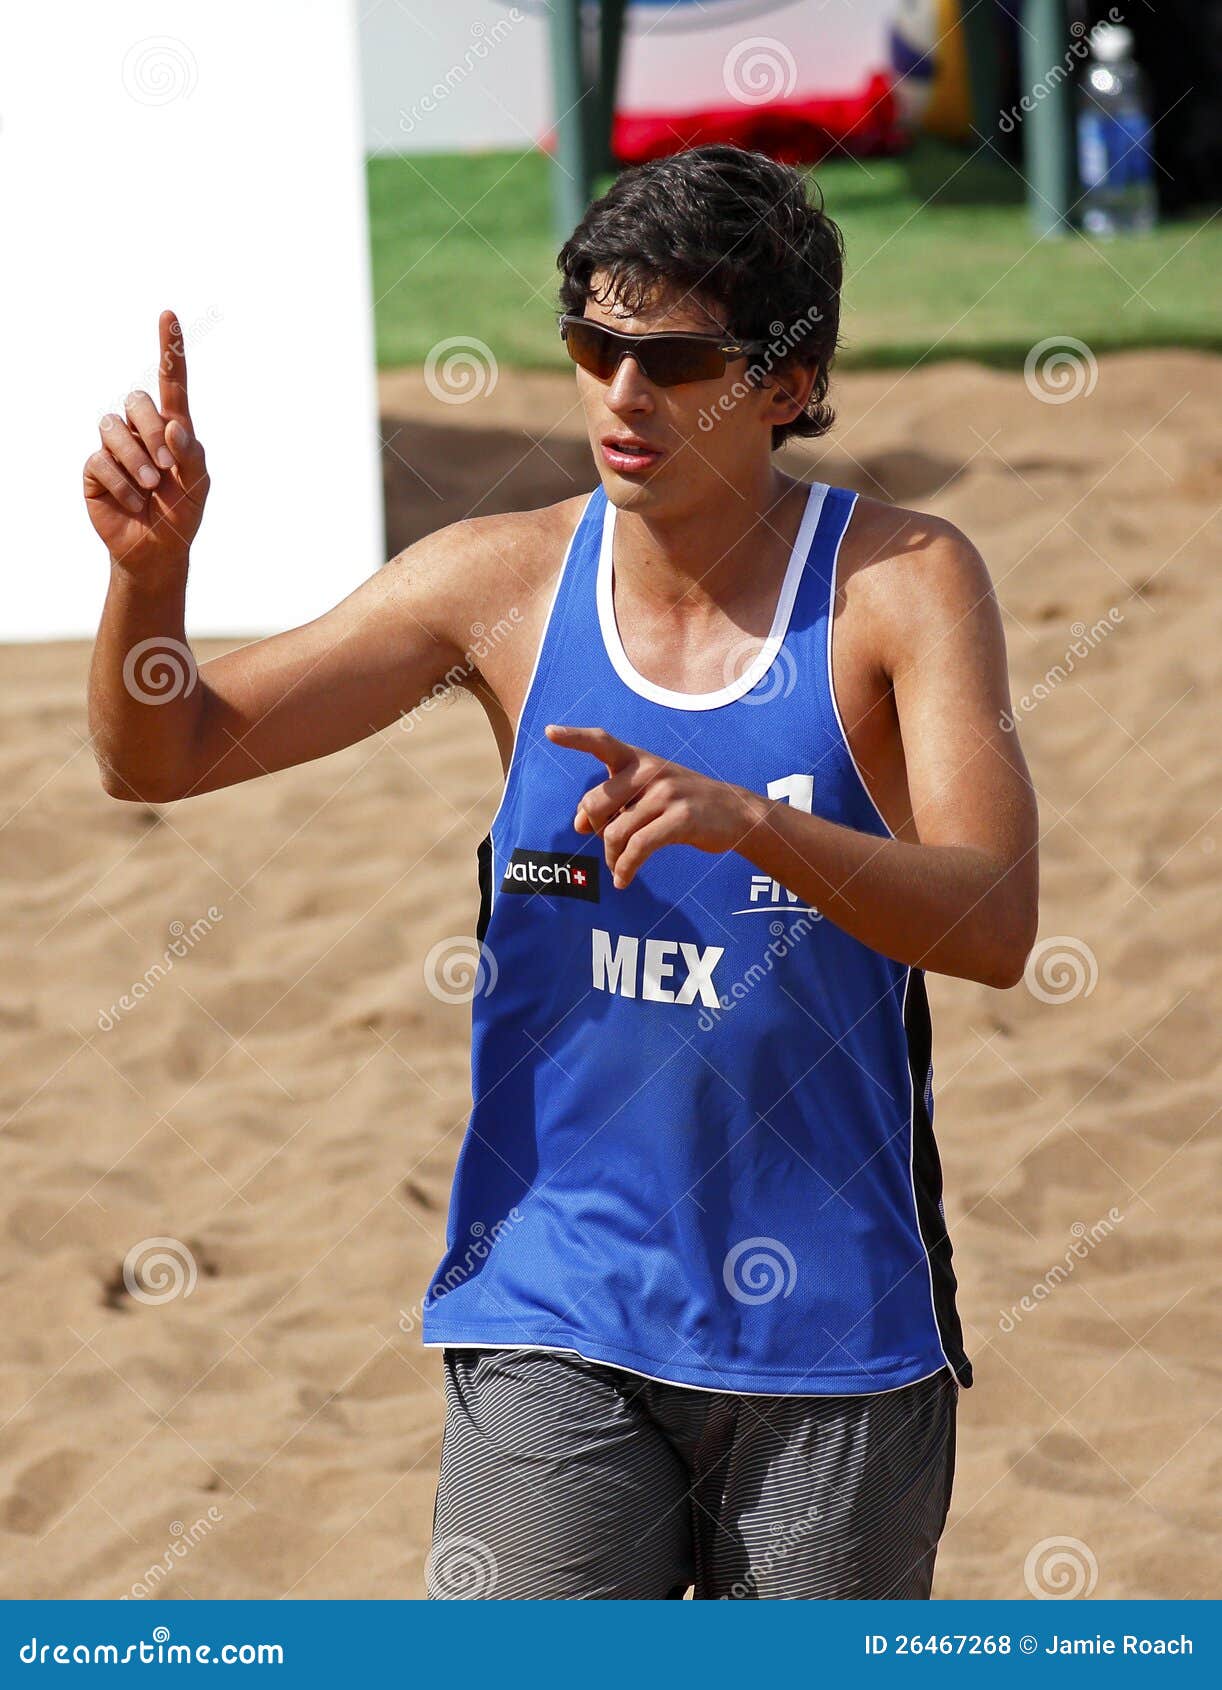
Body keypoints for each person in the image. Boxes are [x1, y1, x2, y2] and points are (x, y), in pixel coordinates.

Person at [85, 145, 1038, 1600]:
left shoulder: (901, 583)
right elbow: (165, 755)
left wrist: (753, 824)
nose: (621, 394)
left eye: (675, 359)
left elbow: (994, 921)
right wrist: (149, 579)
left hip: (831, 1327)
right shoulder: (500, 582)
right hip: (552, 1306)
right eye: (594, 347)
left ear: (787, 382)